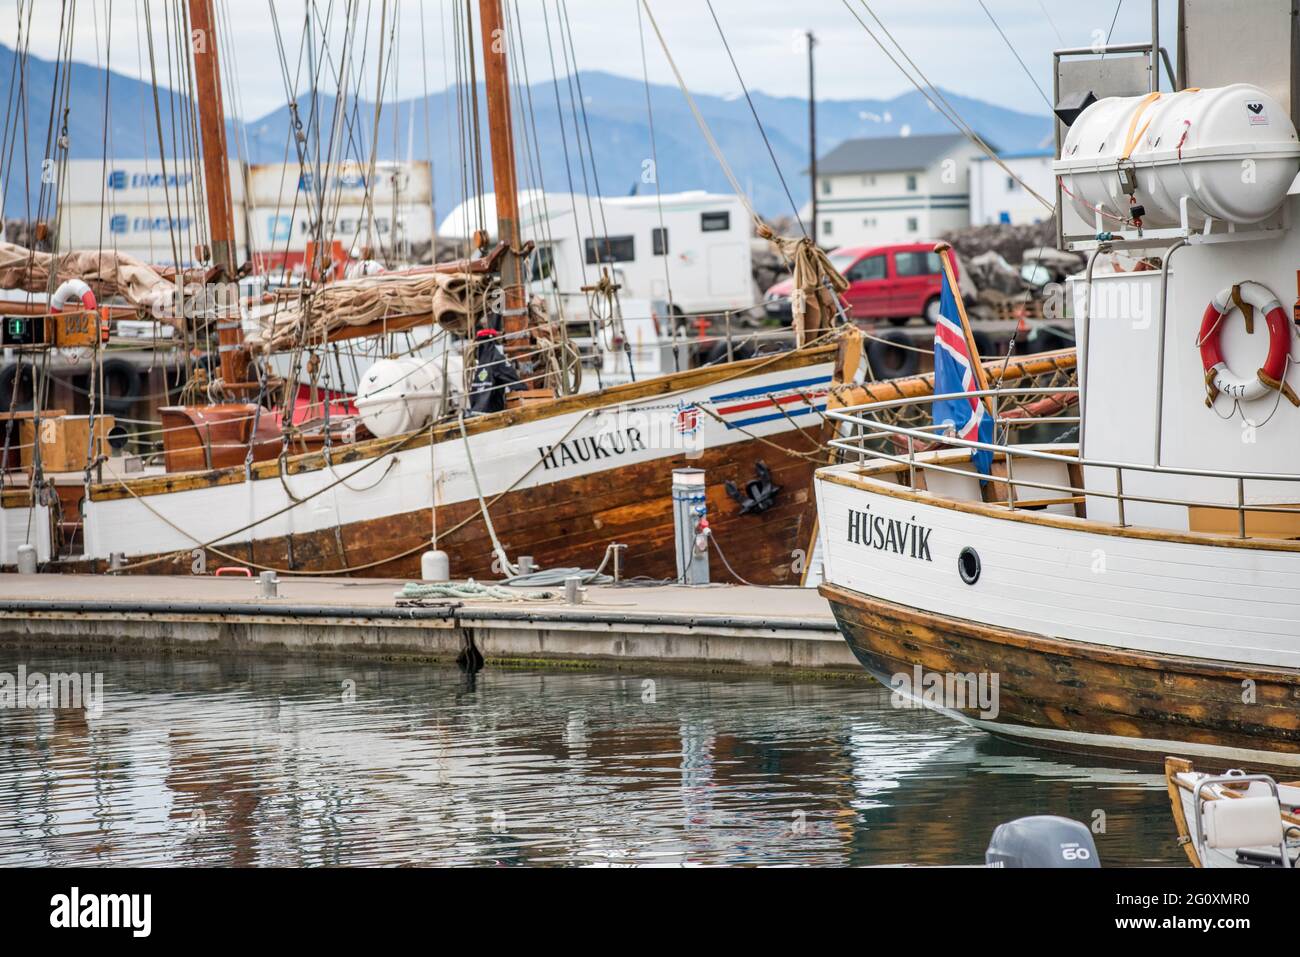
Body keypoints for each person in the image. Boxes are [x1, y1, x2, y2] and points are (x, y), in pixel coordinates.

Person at [468, 328, 524, 414]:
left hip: (476, 410)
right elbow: (512, 379)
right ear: (494, 340)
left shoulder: (482, 361)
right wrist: (526, 393)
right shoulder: (496, 358)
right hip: (491, 410)